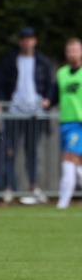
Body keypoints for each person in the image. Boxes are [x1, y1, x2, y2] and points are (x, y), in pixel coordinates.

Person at [0, 27, 53, 204]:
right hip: (14, 113)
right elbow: (1, 84)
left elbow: (50, 85)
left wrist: (47, 100)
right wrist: (3, 104)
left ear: (34, 41)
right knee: (10, 151)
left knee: (32, 152)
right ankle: (9, 188)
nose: (27, 42)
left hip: (34, 114)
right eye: (23, 39)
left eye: (30, 39)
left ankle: (33, 186)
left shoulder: (43, 61)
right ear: (20, 41)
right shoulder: (10, 60)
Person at [54, 37, 82, 209]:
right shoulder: (61, 73)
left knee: (69, 158)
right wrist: (47, 102)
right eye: (69, 50)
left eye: (75, 49)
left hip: (79, 122)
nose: (72, 53)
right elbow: (54, 94)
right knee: (76, 161)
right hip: (66, 121)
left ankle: (63, 202)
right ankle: (63, 201)